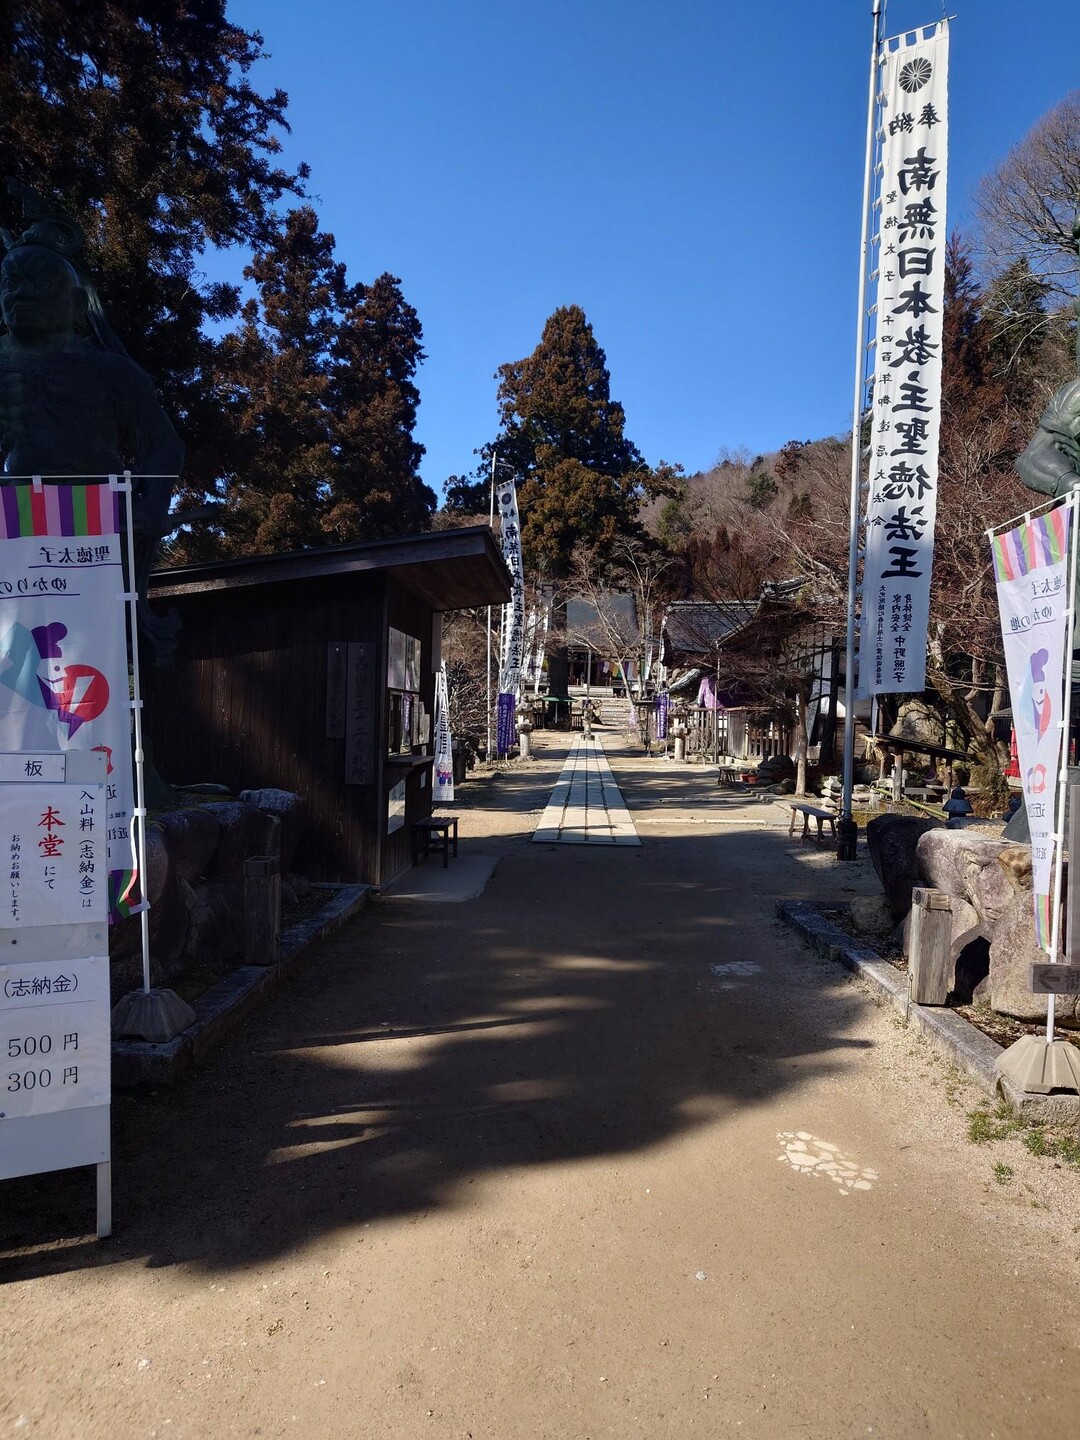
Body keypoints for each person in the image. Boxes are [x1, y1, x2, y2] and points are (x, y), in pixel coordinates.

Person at [0, 197, 184, 660]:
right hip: (13, 521)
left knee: (84, 650)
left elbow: (164, 445)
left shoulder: (110, 372)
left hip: (94, 523)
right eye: (9, 283)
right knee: (16, 656)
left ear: (77, 303)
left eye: (38, 285)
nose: (19, 295)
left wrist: (152, 501)